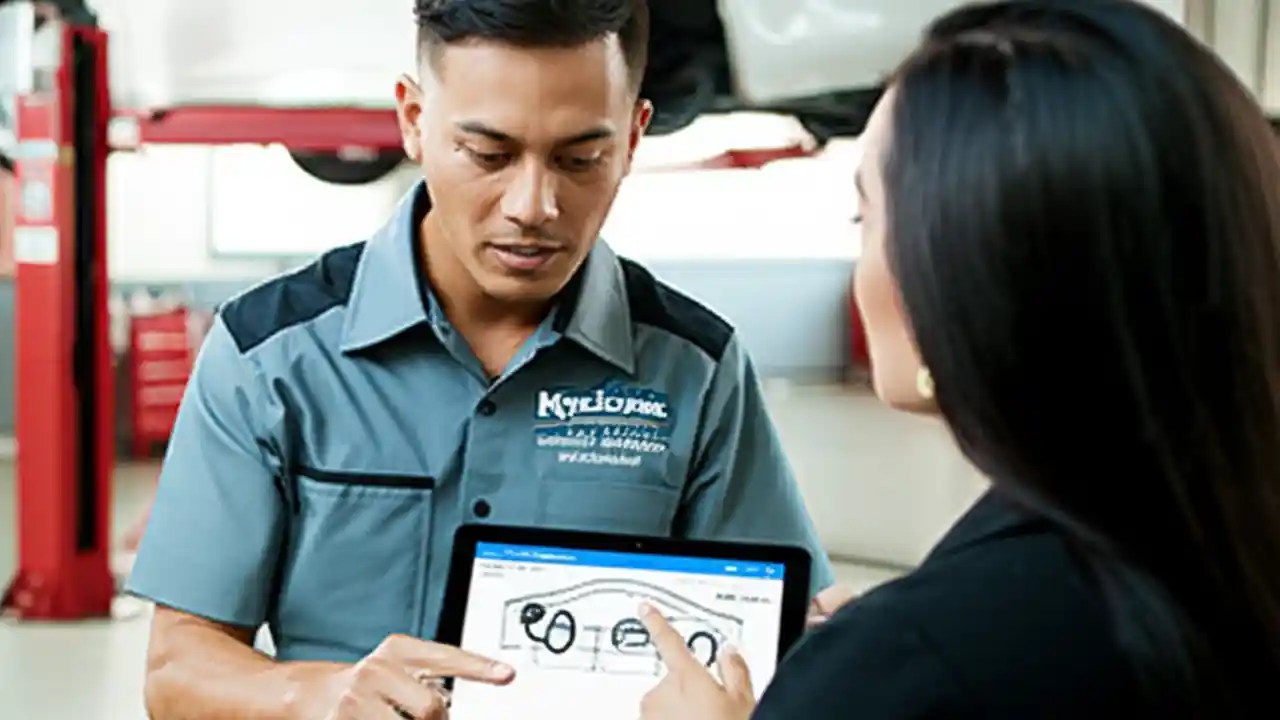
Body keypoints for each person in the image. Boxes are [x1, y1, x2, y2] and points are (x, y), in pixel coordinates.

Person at [127, 1, 846, 717]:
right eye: (489, 155)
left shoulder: (696, 371)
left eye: (580, 158)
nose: (533, 205)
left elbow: (777, 646)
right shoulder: (269, 359)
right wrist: (312, 695)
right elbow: (177, 668)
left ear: (632, 136)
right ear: (413, 119)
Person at [636, 0, 1280, 717]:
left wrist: (873, 667)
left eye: (868, 216)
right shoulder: (1222, 563)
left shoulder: (915, 662)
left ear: (955, 276)